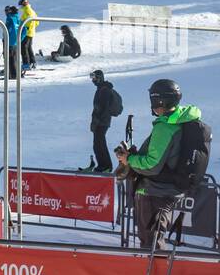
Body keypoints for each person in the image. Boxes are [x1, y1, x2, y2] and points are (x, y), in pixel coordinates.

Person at [117, 79, 210, 251]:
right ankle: (154, 274)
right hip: (169, 188)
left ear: (159, 101)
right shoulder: (182, 118)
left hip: (155, 191)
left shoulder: (166, 127)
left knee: (151, 243)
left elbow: (152, 165)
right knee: (154, 240)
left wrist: (128, 160)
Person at [87, 70, 121, 172]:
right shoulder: (101, 89)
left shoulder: (104, 90)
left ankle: (106, 166)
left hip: (102, 121)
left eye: (94, 78)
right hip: (101, 121)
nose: (93, 80)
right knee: (98, 144)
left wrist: (97, 120)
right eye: (92, 78)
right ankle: (103, 165)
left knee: (99, 144)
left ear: (100, 78)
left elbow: (102, 107)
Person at [17, 0, 38, 71]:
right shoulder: (32, 11)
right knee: (28, 47)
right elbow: (37, 22)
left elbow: (29, 21)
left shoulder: (27, 11)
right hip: (31, 32)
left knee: (23, 48)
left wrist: (25, 28)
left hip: (26, 32)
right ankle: (33, 62)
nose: (20, 8)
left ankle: (26, 64)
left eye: (20, 6)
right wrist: (32, 28)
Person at [3, 5, 22, 78]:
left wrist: (8, 38)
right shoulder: (17, 18)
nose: (6, 12)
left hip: (10, 42)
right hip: (15, 42)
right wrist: (19, 38)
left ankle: (13, 74)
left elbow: (10, 29)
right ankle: (16, 73)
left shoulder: (10, 18)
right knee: (15, 58)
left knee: (10, 58)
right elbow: (24, 30)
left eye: (8, 11)